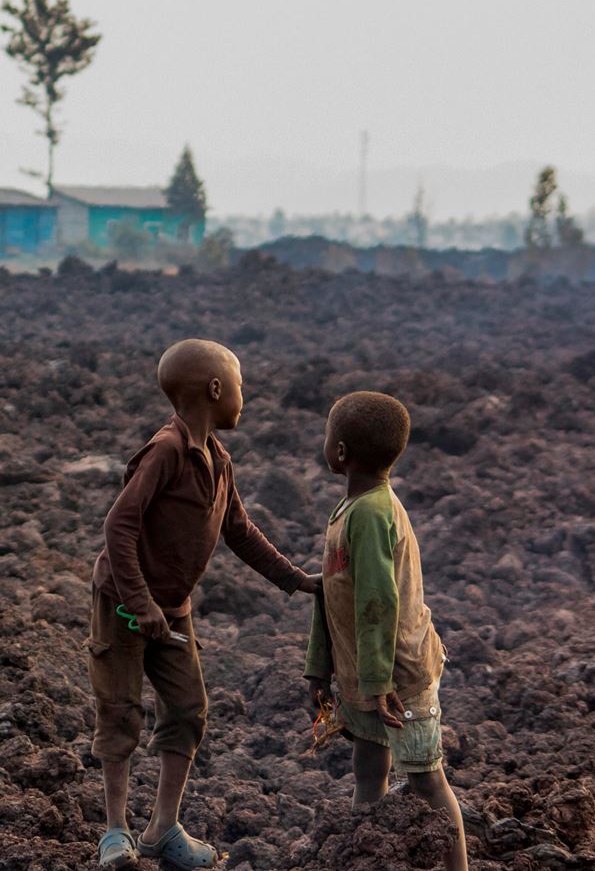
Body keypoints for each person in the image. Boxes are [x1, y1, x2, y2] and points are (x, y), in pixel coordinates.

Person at [88, 339, 320, 869]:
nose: (245, 396)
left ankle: (162, 828)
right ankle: (115, 833)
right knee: (120, 711)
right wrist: (140, 600)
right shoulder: (167, 450)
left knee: (188, 710)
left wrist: (294, 579)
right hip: (123, 605)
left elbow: (239, 530)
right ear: (216, 389)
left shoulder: (218, 458)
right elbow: (119, 525)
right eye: (241, 385)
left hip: (172, 610)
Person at [304, 391, 467, 871]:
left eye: (327, 434)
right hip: (369, 677)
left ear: (339, 453)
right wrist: (319, 667)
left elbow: (378, 603)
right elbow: (331, 593)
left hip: (397, 679)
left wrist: (377, 684)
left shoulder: (373, 514)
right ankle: (365, 854)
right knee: (368, 768)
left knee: (427, 779)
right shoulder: (349, 510)